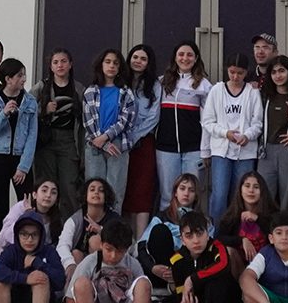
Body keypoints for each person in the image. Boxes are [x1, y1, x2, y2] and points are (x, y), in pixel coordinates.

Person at [201, 53, 262, 220]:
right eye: (232, 72)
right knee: (219, 195)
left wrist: (248, 136)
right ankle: (217, 234)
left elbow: (258, 123)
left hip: (245, 152)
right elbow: (207, 122)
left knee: (242, 195)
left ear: (246, 72)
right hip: (221, 151)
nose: (235, 77)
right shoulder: (217, 90)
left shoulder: (252, 92)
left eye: (240, 73)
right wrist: (224, 134)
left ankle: (241, 233)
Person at [154, 41, 210, 208]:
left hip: (194, 149)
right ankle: (168, 232)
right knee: (167, 195)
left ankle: (189, 231)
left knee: (190, 195)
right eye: (181, 54)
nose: (185, 58)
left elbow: (210, 120)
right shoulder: (161, 83)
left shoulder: (204, 85)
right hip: (166, 149)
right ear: (175, 57)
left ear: (196, 58)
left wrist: (207, 149)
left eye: (189, 54)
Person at [136, 172, 199, 303]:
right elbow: (141, 246)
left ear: (196, 196)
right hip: (160, 270)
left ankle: (168, 300)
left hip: (186, 272)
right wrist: (153, 268)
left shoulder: (204, 221)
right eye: (182, 188)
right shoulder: (161, 216)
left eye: (191, 190)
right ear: (175, 192)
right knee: (160, 230)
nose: (186, 193)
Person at [35, 48, 85, 218]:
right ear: (50, 66)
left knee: (69, 186)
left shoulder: (78, 89)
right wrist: (43, 109)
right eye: (55, 62)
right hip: (46, 140)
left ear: (70, 64)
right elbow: (25, 109)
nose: (60, 65)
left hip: (69, 140)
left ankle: (70, 229)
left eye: (64, 61)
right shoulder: (42, 86)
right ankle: (46, 228)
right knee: (46, 186)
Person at [0, 58, 38, 205]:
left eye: (24, 75)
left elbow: (32, 135)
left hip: (20, 157)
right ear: (8, 79)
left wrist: (24, 166)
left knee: (27, 203)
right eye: (19, 75)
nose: (24, 79)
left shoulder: (30, 101)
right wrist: (3, 114)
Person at [82, 48, 135, 197]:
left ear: (119, 68)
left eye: (115, 63)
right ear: (101, 65)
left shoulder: (125, 92)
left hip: (117, 144)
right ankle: (93, 220)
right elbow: (88, 121)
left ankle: (112, 220)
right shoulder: (90, 92)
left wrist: (106, 138)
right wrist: (102, 142)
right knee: (94, 190)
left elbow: (125, 120)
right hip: (94, 144)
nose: (111, 66)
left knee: (115, 191)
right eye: (108, 62)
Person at [121, 44, 161, 233]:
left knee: (143, 190)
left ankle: (140, 240)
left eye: (143, 59)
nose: (138, 61)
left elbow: (154, 116)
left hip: (144, 143)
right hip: (120, 143)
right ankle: (127, 238)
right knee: (125, 189)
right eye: (135, 57)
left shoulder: (155, 85)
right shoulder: (121, 82)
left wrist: (135, 136)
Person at [257, 54, 288, 207]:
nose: (278, 75)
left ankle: (285, 229)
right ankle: (265, 230)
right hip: (266, 152)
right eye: (274, 72)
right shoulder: (265, 96)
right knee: (264, 196)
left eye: (282, 71)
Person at [58, 177, 120, 271]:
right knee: (76, 254)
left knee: (95, 241)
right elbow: (62, 245)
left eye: (101, 190)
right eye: (92, 189)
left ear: (106, 196)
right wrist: (69, 264)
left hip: (110, 265)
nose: (96, 192)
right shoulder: (75, 220)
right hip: (81, 265)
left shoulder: (114, 218)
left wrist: (101, 231)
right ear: (85, 195)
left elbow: (128, 243)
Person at [0, 178, 62, 260]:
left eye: (53, 192)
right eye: (44, 190)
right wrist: (27, 215)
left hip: (38, 257)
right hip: (12, 253)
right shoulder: (21, 207)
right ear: (34, 194)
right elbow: (4, 237)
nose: (48, 195)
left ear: (56, 199)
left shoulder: (56, 217)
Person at [217, 170, 271, 261]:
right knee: (228, 251)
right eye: (247, 186)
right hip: (240, 265)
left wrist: (257, 219)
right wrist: (242, 240)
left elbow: (278, 233)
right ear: (240, 189)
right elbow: (219, 239)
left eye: (256, 187)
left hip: (267, 264)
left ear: (262, 191)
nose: (251, 190)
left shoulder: (272, 213)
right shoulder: (231, 215)